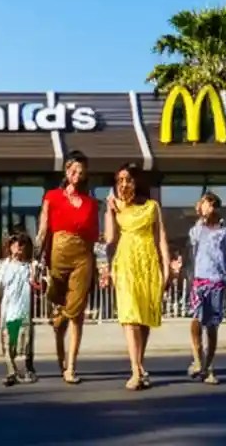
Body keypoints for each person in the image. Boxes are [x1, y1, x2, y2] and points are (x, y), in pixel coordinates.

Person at [36, 149, 100, 385]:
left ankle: (71, 366)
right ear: (66, 170)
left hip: (82, 257)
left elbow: (94, 238)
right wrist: (36, 258)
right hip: (57, 255)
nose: (77, 174)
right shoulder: (52, 197)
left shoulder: (91, 203)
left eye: (81, 171)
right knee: (61, 309)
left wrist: (98, 267)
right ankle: (60, 352)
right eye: (73, 169)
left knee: (78, 313)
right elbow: (43, 230)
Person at [106, 162, 170, 391]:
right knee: (129, 315)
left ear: (137, 182)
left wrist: (167, 267)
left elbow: (161, 236)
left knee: (143, 318)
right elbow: (110, 238)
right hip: (125, 263)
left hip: (148, 263)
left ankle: (140, 364)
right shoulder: (116, 205)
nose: (124, 184)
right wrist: (109, 210)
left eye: (128, 180)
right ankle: (135, 370)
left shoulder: (152, 206)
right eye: (120, 180)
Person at [187, 192, 226, 385]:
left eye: (209, 204)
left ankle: (208, 367)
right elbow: (192, 245)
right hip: (199, 280)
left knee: (212, 326)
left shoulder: (224, 230)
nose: (207, 208)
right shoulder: (198, 228)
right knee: (195, 319)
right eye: (204, 204)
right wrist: (199, 218)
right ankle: (197, 358)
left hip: (217, 281)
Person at [0, 233, 38, 386]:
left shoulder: (30, 266)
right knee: (8, 344)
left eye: (21, 245)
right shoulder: (4, 266)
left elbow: (37, 285)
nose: (18, 248)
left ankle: (27, 370)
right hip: (8, 311)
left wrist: (35, 271)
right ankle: (11, 373)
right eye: (15, 245)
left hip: (24, 311)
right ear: (10, 247)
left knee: (24, 344)